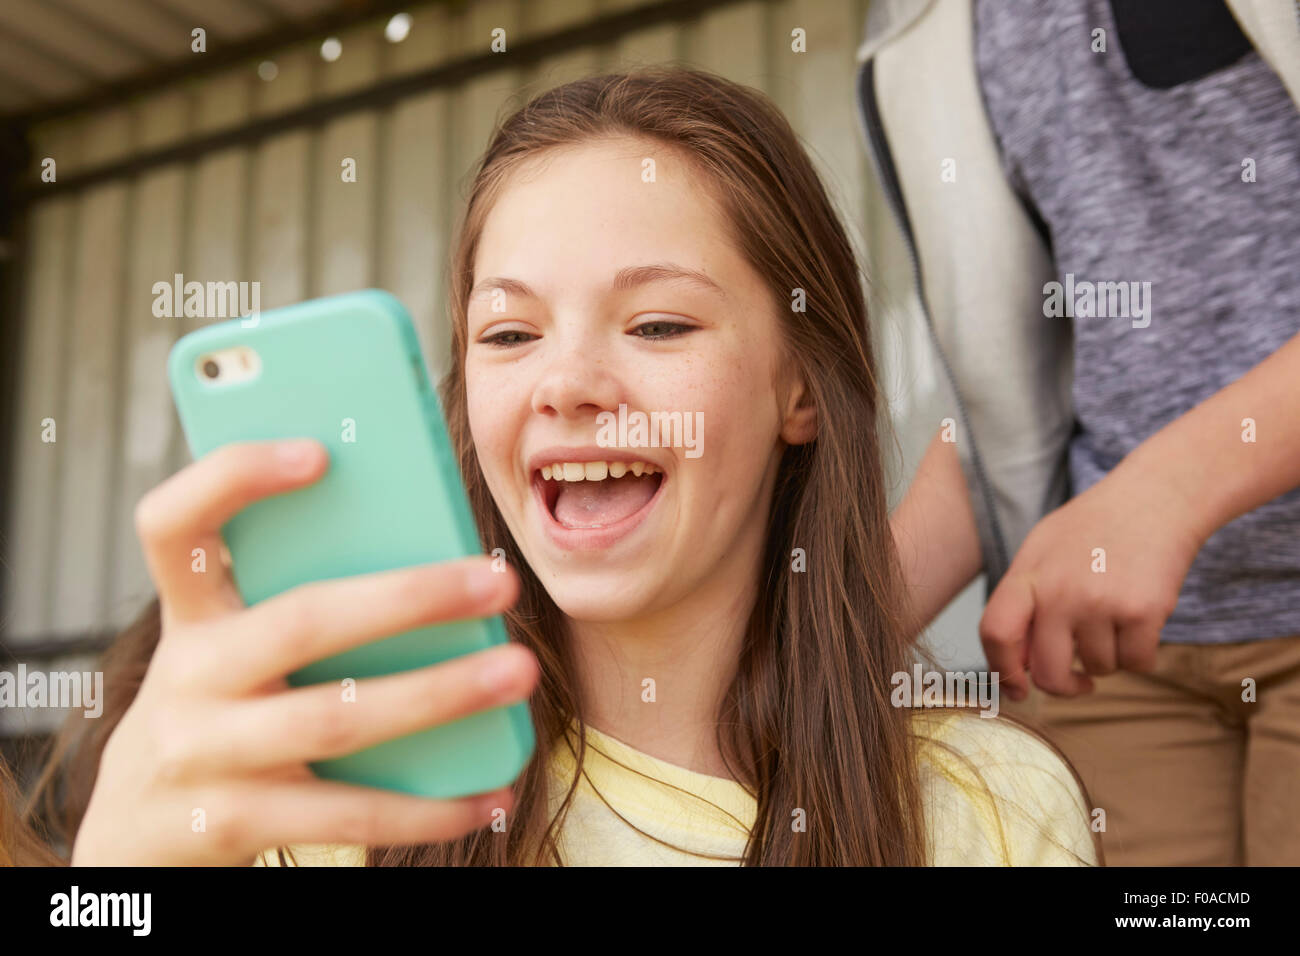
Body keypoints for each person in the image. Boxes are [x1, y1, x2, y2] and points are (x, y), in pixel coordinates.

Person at [47, 67, 1097, 867]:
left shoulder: (992, 810)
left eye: (656, 321)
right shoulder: (312, 797)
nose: (566, 384)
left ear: (801, 392)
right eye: (509, 335)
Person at [858, 0, 1300, 864]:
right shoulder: (930, 30)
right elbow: (1018, 392)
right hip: (1106, 661)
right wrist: (837, 626)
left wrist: (1163, 495)